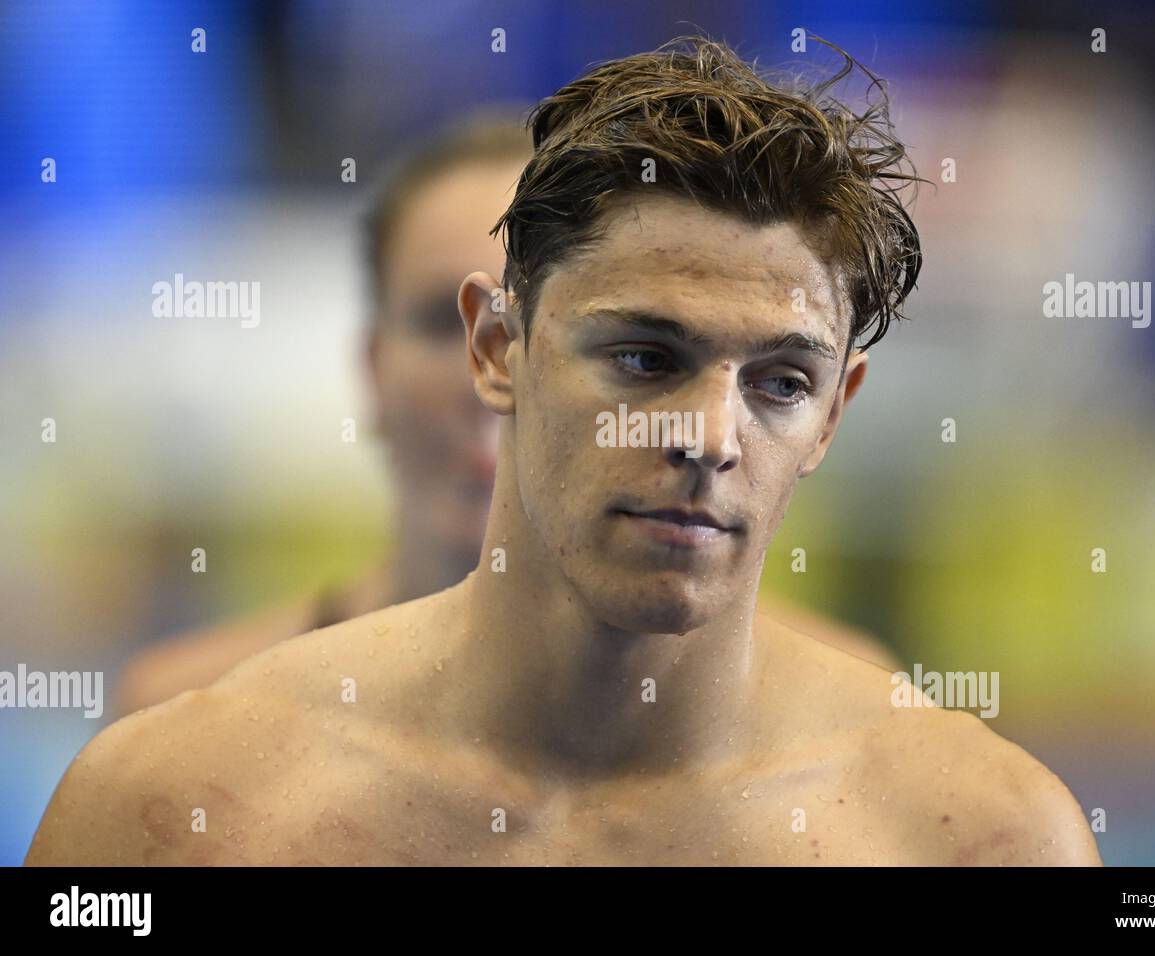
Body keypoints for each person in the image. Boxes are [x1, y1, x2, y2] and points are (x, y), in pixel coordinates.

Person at [27, 35, 1099, 866]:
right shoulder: (185, 808)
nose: (708, 438)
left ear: (832, 414)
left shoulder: (983, 839)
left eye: (780, 382)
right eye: (643, 358)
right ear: (498, 346)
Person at [113, 114, 900, 718]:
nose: (502, 378)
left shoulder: (860, 714)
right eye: (437, 321)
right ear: (375, 365)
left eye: (634, 350)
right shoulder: (191, 719)